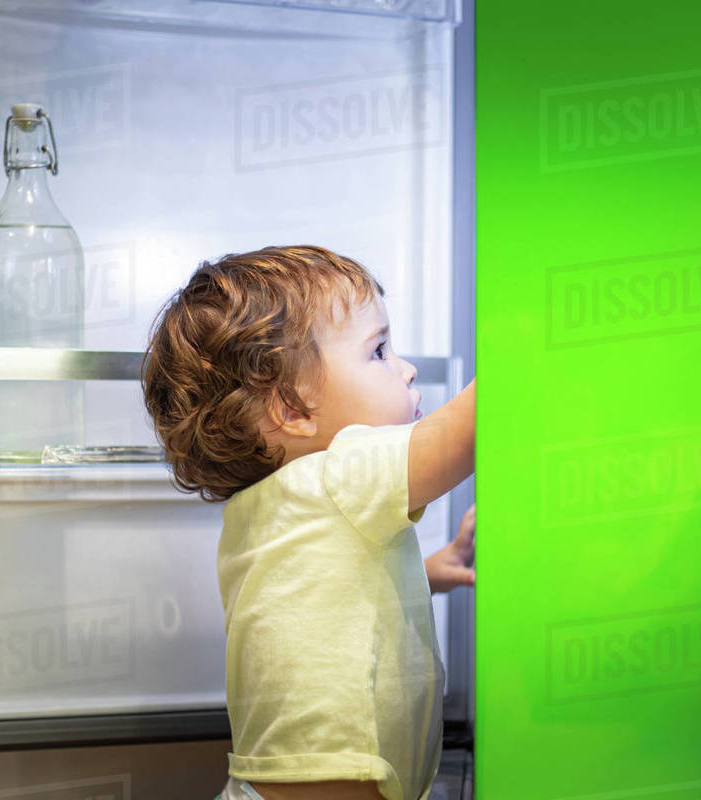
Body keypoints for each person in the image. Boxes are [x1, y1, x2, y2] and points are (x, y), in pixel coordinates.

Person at [141, 245, 476, 800]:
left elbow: (326, 590)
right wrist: (524, 341)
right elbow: (463, 432)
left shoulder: (270, 505)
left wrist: (431, 571)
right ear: (293, 409)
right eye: (379, 350)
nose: (406, 368)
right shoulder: (341, 470)